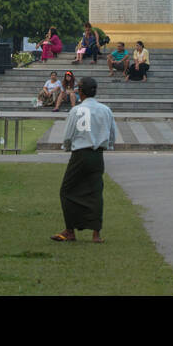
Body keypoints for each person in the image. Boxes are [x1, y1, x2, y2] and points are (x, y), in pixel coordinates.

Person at [52, 76, 116, 243]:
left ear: (80, 92)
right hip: (97, 155)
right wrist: (107, 146)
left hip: (80, 154)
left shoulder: (76, 110)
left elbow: (68, 135)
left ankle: (70, 230)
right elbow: (111, 134)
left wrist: (67, 147)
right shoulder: (105, 110)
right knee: (95, 192)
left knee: (67, 190)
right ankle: (96, 234)